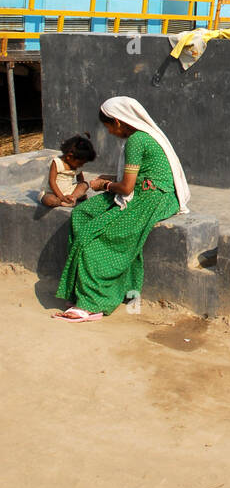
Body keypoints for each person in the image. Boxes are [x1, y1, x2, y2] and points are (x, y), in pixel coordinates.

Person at [53, 97, 190, 322]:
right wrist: (104, 182)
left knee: (90, 240)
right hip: (144, 191)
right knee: (81, 213)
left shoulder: (137, 140)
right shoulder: (142, 137)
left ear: (117, 122)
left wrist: (103, 185)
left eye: (108, 127)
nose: (108, 132)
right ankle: (82, 286)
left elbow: (126, 187)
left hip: (152, 197)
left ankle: (93, 303)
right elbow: (130, 179)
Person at [42, 134, 96, 209]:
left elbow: (80, 181)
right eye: (80, 163)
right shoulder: (57, 162)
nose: (81, 165)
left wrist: (80, 192)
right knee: (50, 200)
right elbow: (52, 182)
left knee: (84, 185)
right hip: (52, 192)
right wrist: (61, 197)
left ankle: (72, 198)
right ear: (69, 156)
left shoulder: (77, 166)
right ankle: (62, 201)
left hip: (69, 191)